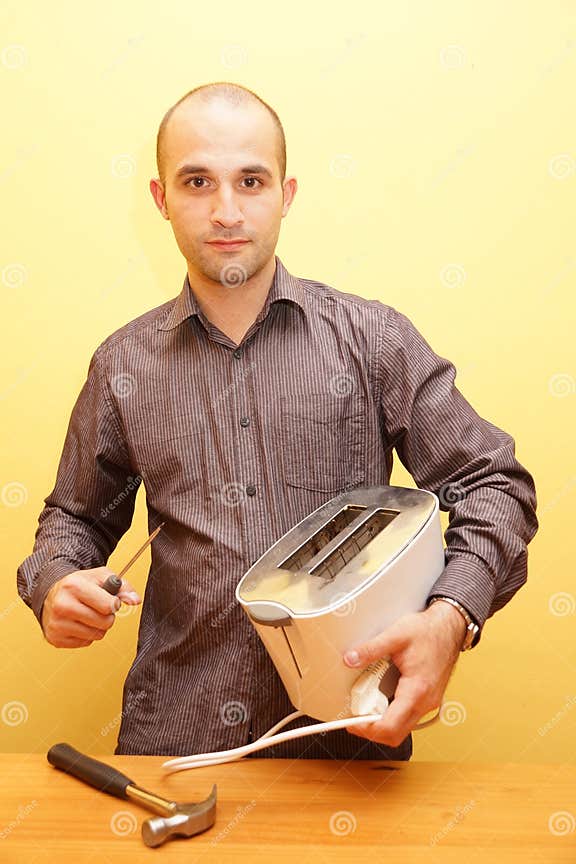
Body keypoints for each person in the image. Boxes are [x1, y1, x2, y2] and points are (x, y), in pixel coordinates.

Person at [17, 82, 538, 760]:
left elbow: (496, 484)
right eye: (197, 181)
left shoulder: (374, 340)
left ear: (285, 196)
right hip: (173, 748)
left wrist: (451, 617)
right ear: (161, 199)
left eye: (251, 181)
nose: (226, 210)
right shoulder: (122, 364)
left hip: (348, 750)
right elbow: (76, 519)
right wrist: (56, 580)